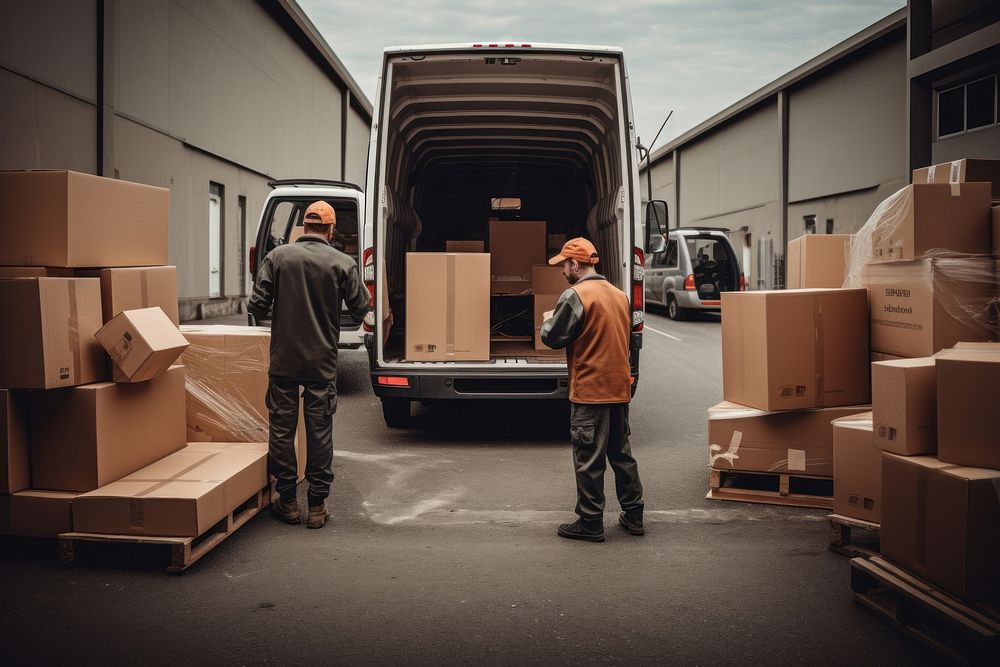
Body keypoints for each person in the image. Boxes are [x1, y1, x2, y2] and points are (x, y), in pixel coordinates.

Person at [247, 201, 370, 529]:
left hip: (284, 360)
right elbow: (361, 310)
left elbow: (257, 306)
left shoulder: (277, 257)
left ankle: (287, 501)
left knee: (282, 431)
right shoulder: (342, 262)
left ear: (303, 227)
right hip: (321, 362)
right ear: (330, 230)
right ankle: (317, 506)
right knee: (319, 432)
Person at [540, 237, 645, 542]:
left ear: (577, 264)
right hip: (618, 388)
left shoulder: (576, 295)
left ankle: (590, 522)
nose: (562, 270)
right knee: (622, 455)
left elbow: (553, 337)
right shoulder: (619, 295)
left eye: (564, 264)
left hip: (590, 390)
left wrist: (548, 320)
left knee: (588, 457)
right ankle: (634, 515)